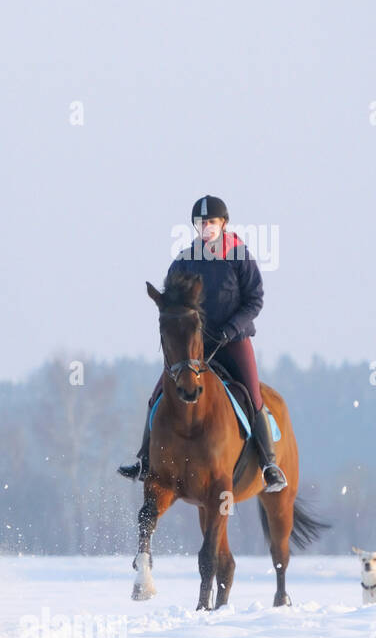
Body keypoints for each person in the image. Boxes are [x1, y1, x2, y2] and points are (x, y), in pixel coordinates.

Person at [118, 195, 287, 491]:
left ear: (224, 224)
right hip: (194, 346)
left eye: (211, 222)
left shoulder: (239, 255)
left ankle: (269, 464)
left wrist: (231, 329)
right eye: (201, 222)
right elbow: (170, 298)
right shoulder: (184, 259)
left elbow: (255, 299)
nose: (206, 227)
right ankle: (145, 460)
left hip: (233, 340)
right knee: (157, 395)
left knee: (253, 395)